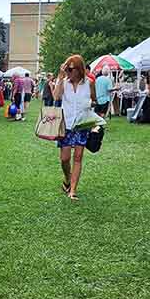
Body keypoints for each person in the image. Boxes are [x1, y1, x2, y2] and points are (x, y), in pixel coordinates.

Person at [51, 54, 97, 202]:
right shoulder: (64, 82)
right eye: (67, 69)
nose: (69, 72)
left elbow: (94, 100)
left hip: (82, 124)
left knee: (78, 158)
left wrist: (91, 105)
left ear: (79, 69)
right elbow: (56, 97)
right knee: (64, 159)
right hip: (66, 124)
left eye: (71, 69)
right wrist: (60, 75)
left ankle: (73, 190)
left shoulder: (89, 83)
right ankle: (67, 179)